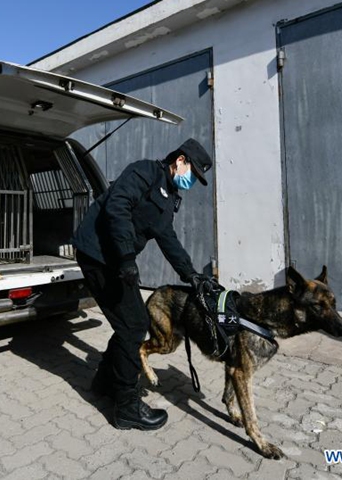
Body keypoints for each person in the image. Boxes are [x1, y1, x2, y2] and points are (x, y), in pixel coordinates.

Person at [72, 138, 217, 431]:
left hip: (115, 259)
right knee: (135, 325)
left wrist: (191, 274)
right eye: (193, 174)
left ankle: (104, 382)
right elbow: (117, 206)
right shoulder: (144, 172)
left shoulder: (169, 197)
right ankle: (126, 407)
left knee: (130, 324)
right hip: (98, 254)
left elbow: (167, 237)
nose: (192, 181)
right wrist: (127, 256)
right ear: (180, 161)